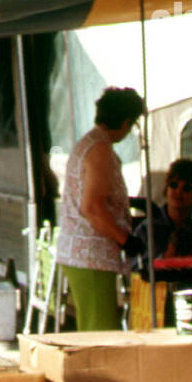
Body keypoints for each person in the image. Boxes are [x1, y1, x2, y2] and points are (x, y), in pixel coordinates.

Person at [57, 87, 145, 331]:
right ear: (126, 121)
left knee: (91, 329)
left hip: (81, 253)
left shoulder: (89, 142)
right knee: (102, 332)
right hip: (90, 254)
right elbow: (93, 207)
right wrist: (126, 240)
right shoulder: (100, 149)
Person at [129, 159, 192, 260]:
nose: (179, 192)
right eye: (174, 185)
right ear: (166, 189)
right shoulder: (147, 230)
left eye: (186, 188)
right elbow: (137, 267)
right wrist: (168, 254)